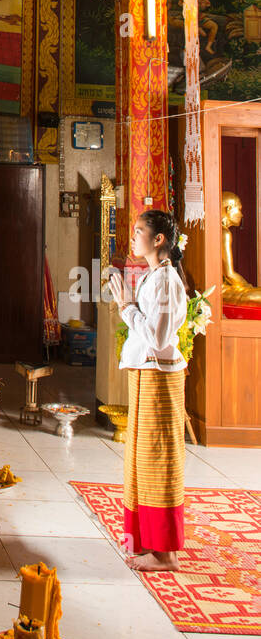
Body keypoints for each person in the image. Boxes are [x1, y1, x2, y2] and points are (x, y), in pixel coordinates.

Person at [108, 209, 188, 572]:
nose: (133, 236)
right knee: (142, 461)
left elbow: (157, 338)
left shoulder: (166, 280)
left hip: (159, 377)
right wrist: (129, 302)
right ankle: (148, 543)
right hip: (147, 376)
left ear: (159, 240)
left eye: (139, 231)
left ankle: (165, 552)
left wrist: (125, 304)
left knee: (158, 462)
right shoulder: (155, 277)